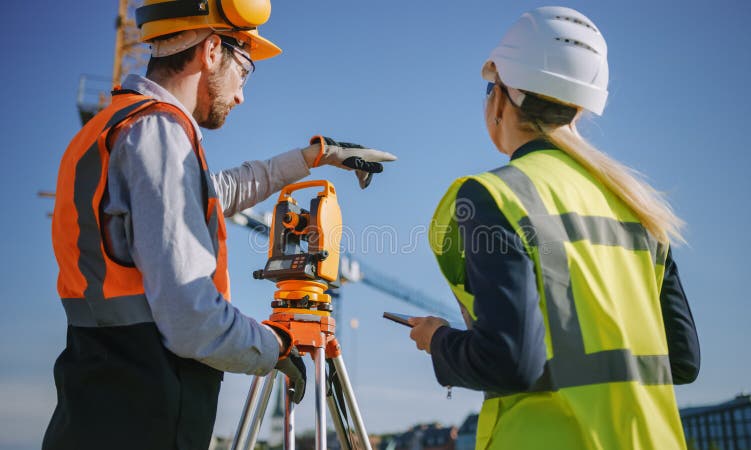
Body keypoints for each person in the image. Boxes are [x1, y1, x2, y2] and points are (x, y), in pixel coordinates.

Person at [44, 1, 396, 449]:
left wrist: (313, 157)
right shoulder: (162, 134)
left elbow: (210, 193)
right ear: (212, 50)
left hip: (92, 409)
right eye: (245, 70)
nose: (242, 94)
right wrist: (276, 347)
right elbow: (194, 321)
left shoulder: (111, 127)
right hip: (147, 416)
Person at [409, 7, 699, 450]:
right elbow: (682, 362)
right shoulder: (639, 208)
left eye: (491, 88)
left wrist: (438, 341)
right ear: (578, 110)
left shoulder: (496, 195)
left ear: (504, 98)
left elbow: (509, 363)